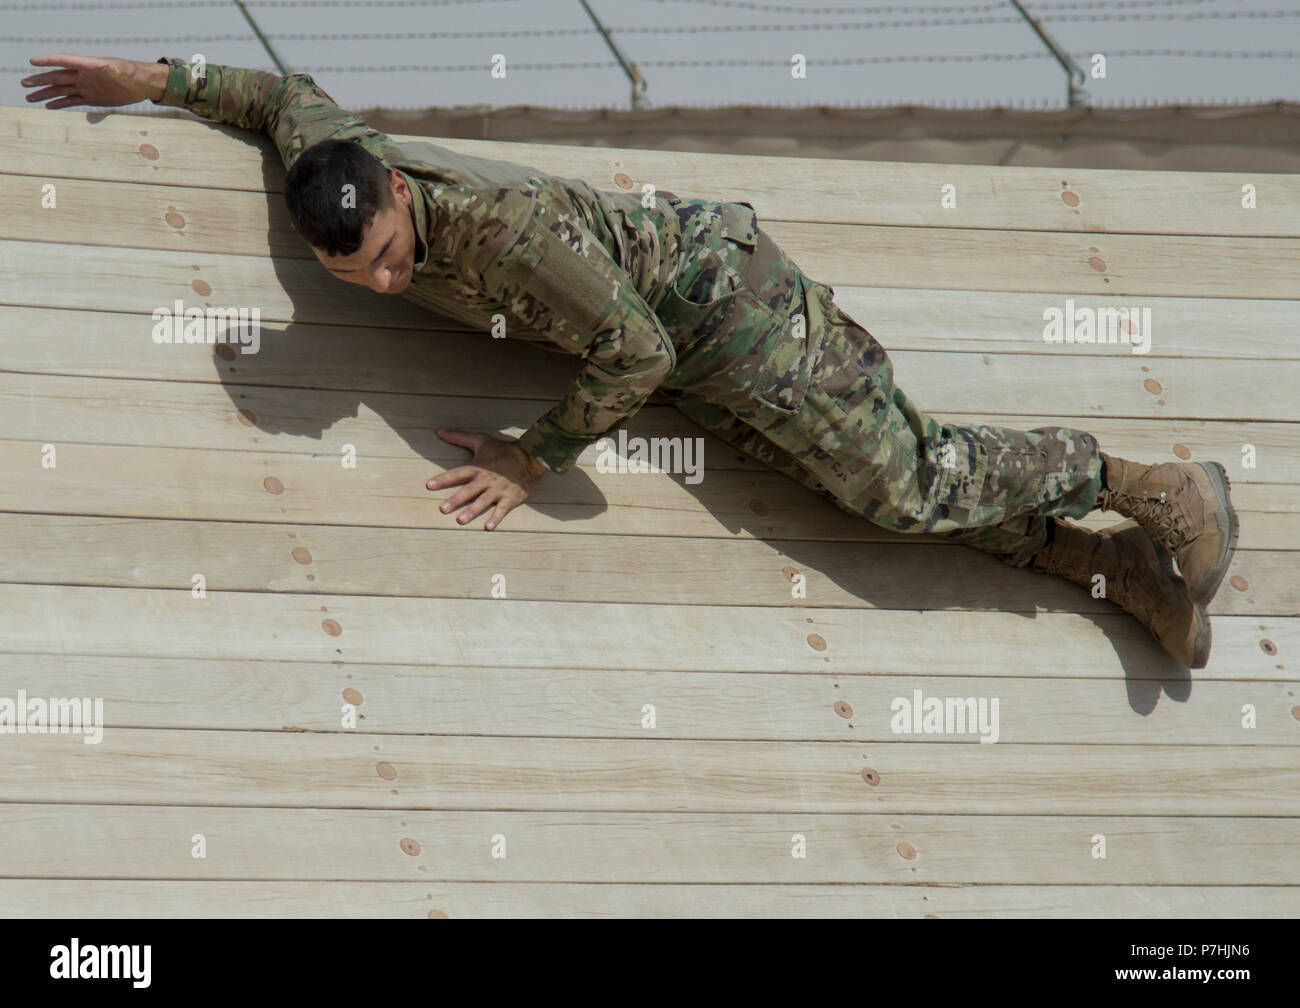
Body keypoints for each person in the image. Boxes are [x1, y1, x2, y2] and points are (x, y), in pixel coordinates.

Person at [22, 54, 1238, 668]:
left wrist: (530, 457)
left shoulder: (506, 238)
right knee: (873, 511)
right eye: (360, 280)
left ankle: (1141, 483)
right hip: (686, 342)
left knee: (900, 481)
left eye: (392, 258)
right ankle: (1108, 571)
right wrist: (146, 83)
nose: (386, 285)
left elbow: (635, 348)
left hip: (724, 309)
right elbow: (275, 93)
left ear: (399, 192)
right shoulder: (334, 162)